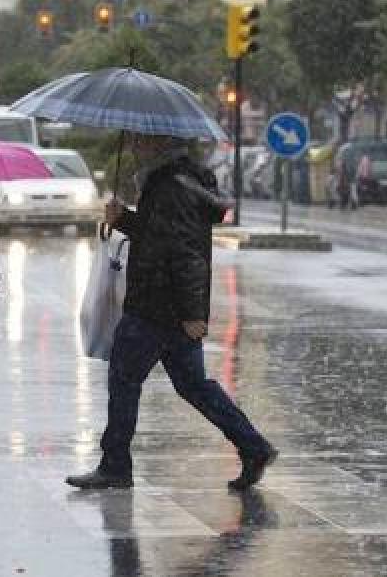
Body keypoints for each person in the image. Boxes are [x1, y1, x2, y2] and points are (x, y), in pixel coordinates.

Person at [66, 134, 278, 491]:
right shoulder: (176, 183)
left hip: (155, 307)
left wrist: (194, 314)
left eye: (141, 141)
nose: (134, 147)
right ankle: (253, 447)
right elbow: (158, 236)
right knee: (194, 386)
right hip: (169, 307)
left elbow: (185, 253)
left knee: (124, 379)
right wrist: (124, 219)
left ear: (158, 144)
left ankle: (115, 466)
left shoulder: (169, 187)